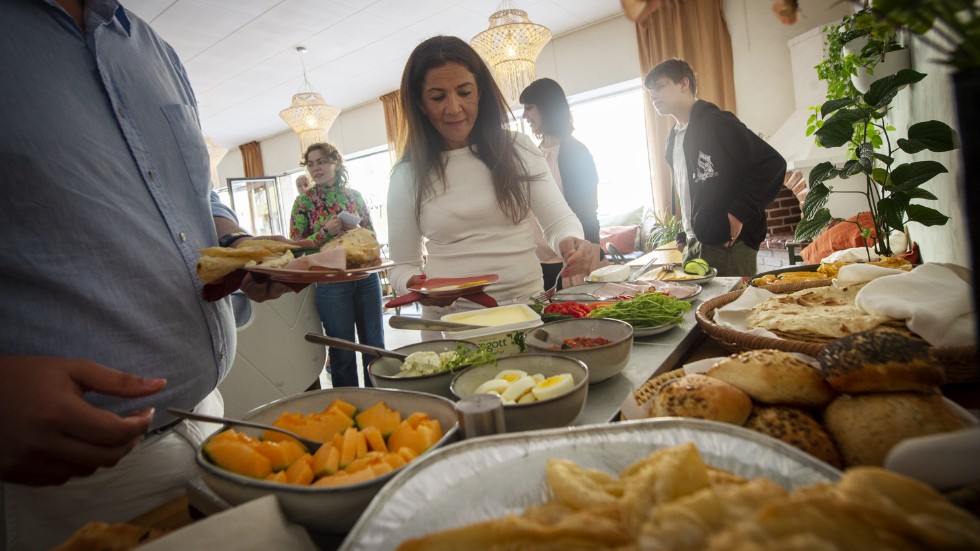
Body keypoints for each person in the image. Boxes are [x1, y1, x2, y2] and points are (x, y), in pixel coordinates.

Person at [0, 1, 310, 548]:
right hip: (71, 485)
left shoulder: (151, 48)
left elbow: (194, 189)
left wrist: (237, 245)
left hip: (213, 420)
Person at [386, 36, 601, 322]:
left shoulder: (518, 149)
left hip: (524, 310)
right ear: (420, 104)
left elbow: (558, 221)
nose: (453, 108)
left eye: (464, 92)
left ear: (481, 92)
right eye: (438, 97)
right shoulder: (407, 174)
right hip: (450, 322)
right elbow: (401, 265)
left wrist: (571, 242)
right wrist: (416, 284)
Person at [645, 58, 786, 276]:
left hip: (728, 243)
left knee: (734, 309)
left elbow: (772, 164)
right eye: (650, 91)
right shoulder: (673, 139)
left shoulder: (717, 123)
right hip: (694, 244)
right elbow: (691, 190)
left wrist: (738, 214)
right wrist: (685, 234)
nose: (653, 95)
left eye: (660, 87)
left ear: (684, 84)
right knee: (701, 311)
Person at [290, 142, 384, 387]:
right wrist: (324, 232)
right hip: (331, 284)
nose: (315, 168)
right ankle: (349, 409)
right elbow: (296, 247)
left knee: (375, 347)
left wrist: (359, 229)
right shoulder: (303, 202)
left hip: (365, 278)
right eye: (310, 164)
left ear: (336, 163)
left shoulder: (355, 196)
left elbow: (372, 236)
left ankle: (381, 401)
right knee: (342, 351)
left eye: (321, 161)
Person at [519, 78, 602, 291]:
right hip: (536, 263)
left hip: (568, 261)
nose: (524, 116)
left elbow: (588, 211)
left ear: (547, 107)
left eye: (529, 108)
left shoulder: (577, 153)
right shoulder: (531, 154)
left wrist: (589, 261)